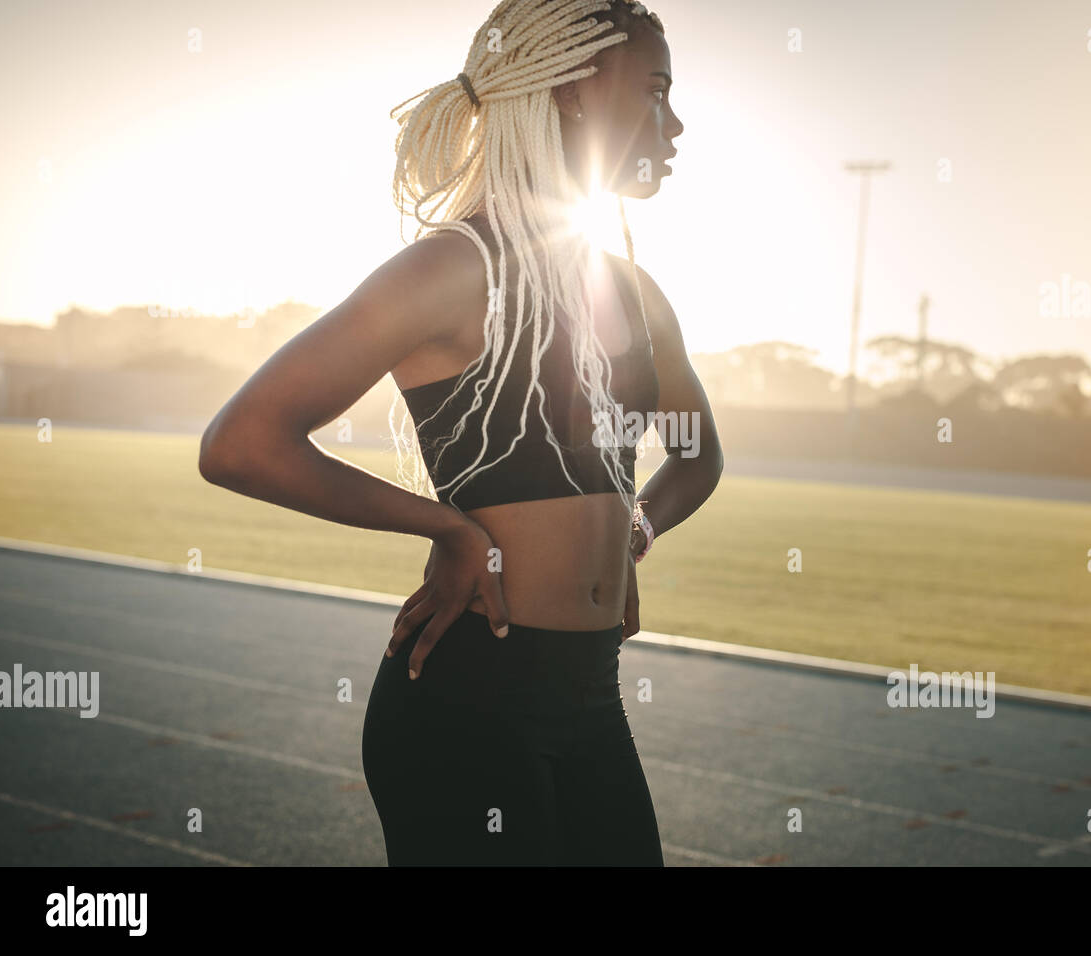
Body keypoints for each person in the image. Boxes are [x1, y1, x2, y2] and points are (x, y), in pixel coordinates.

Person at [198, 0, 722, 866]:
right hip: (469, 699)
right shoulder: (451, 268)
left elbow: (697, 455)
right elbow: (242, 441)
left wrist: (636, 529)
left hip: (593, 700)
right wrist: (442, 525)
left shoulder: (635, 290)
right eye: (655, 91)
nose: (675, 122)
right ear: (575, 92)